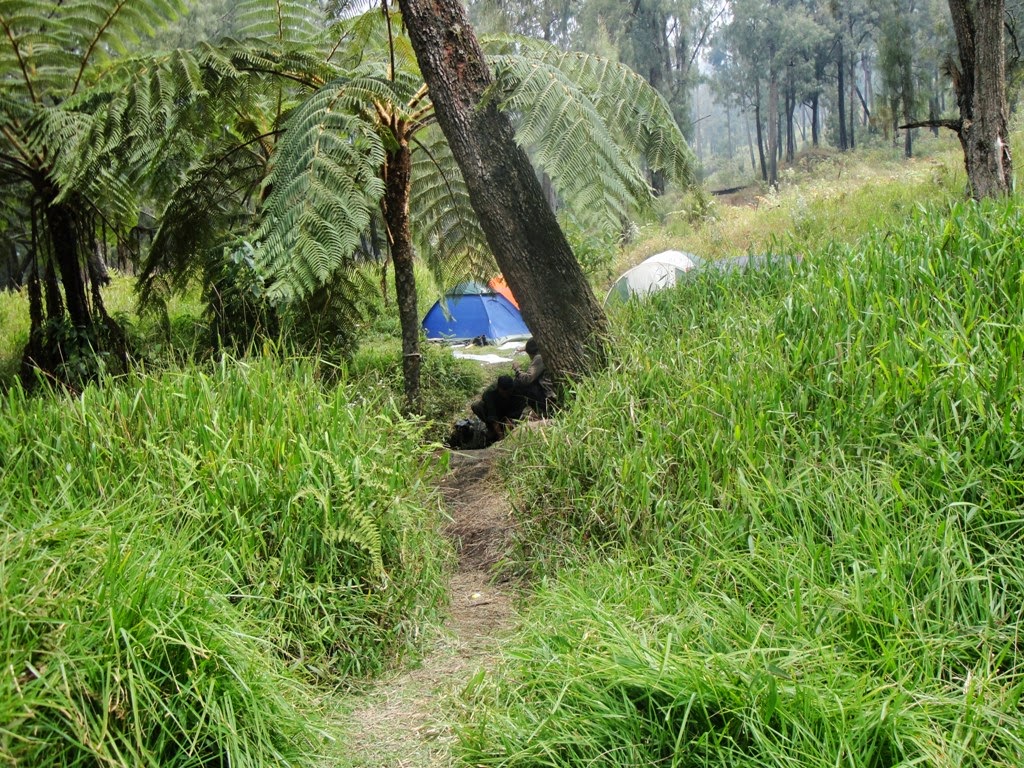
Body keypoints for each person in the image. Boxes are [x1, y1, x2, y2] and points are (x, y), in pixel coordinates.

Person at [470, 374, 526, 444]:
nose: (506, 395)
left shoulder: (517, 390)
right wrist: (501, 436)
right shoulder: (489, 393)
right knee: (477, 406)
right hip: (497, 412)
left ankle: (509, 428)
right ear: (498, 388)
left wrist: (511, 420)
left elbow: (520, 406)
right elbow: (492, 413)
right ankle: (492, 429)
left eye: (508, 392)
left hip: (511, 412)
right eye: (503, 393)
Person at [512, 337, 556, 416]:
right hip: (551, 391)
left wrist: (517, 369)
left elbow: (527, 379)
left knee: (517, 383)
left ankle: (540, 411)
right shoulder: (546, 352)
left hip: (547, 395)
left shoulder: (539, 357)